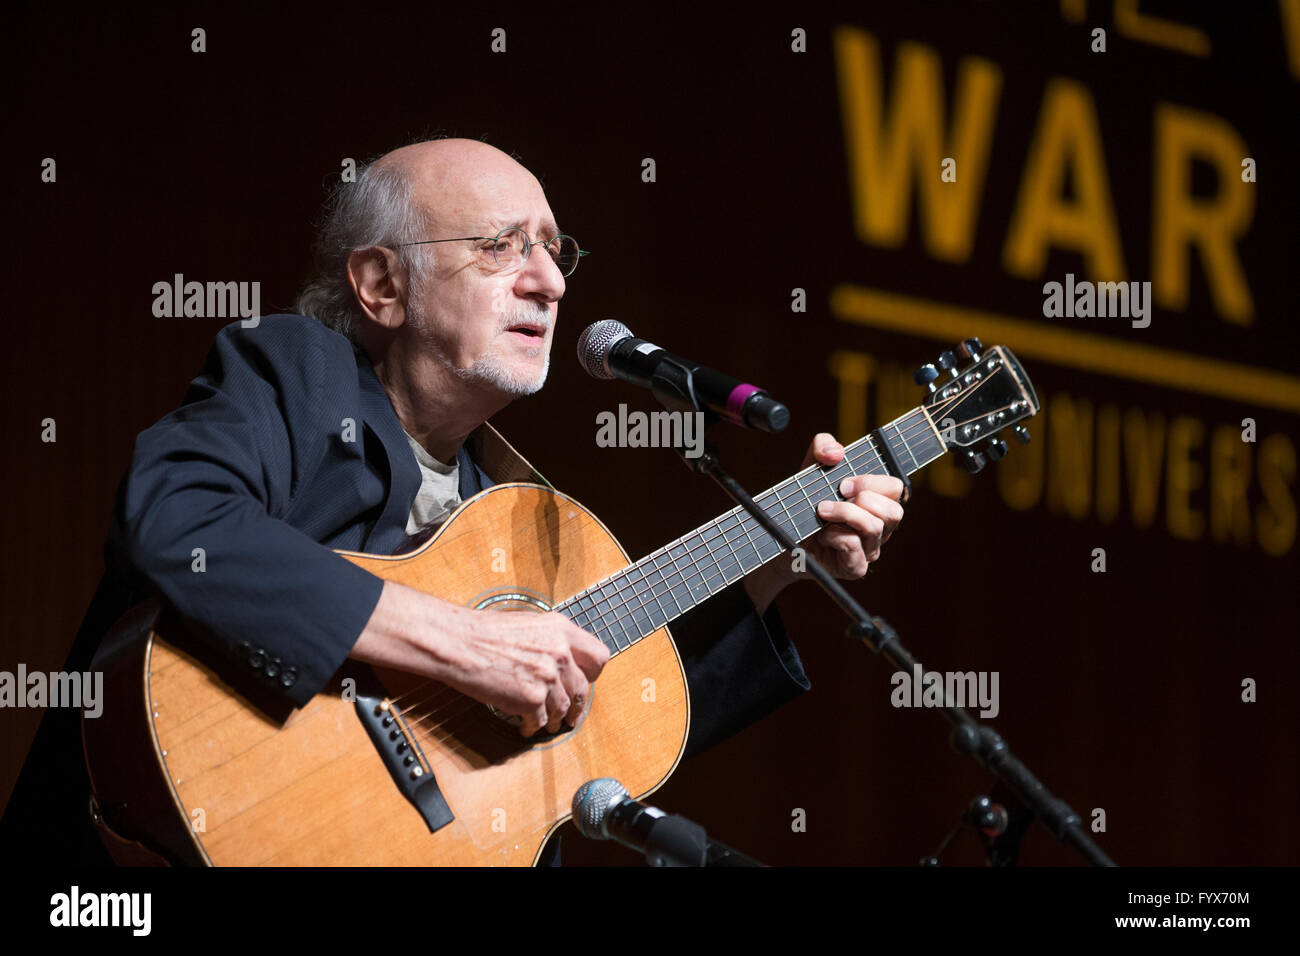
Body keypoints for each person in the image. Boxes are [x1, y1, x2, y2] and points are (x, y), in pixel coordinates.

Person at [0, 138, 904, 865]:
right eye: (501, 246)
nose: (549, 280)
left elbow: (613, 734)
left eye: (556, 250)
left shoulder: (507, 513)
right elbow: (174, 520)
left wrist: (781, 563)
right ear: (382, 286)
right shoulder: (299, 372)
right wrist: (464, 644)